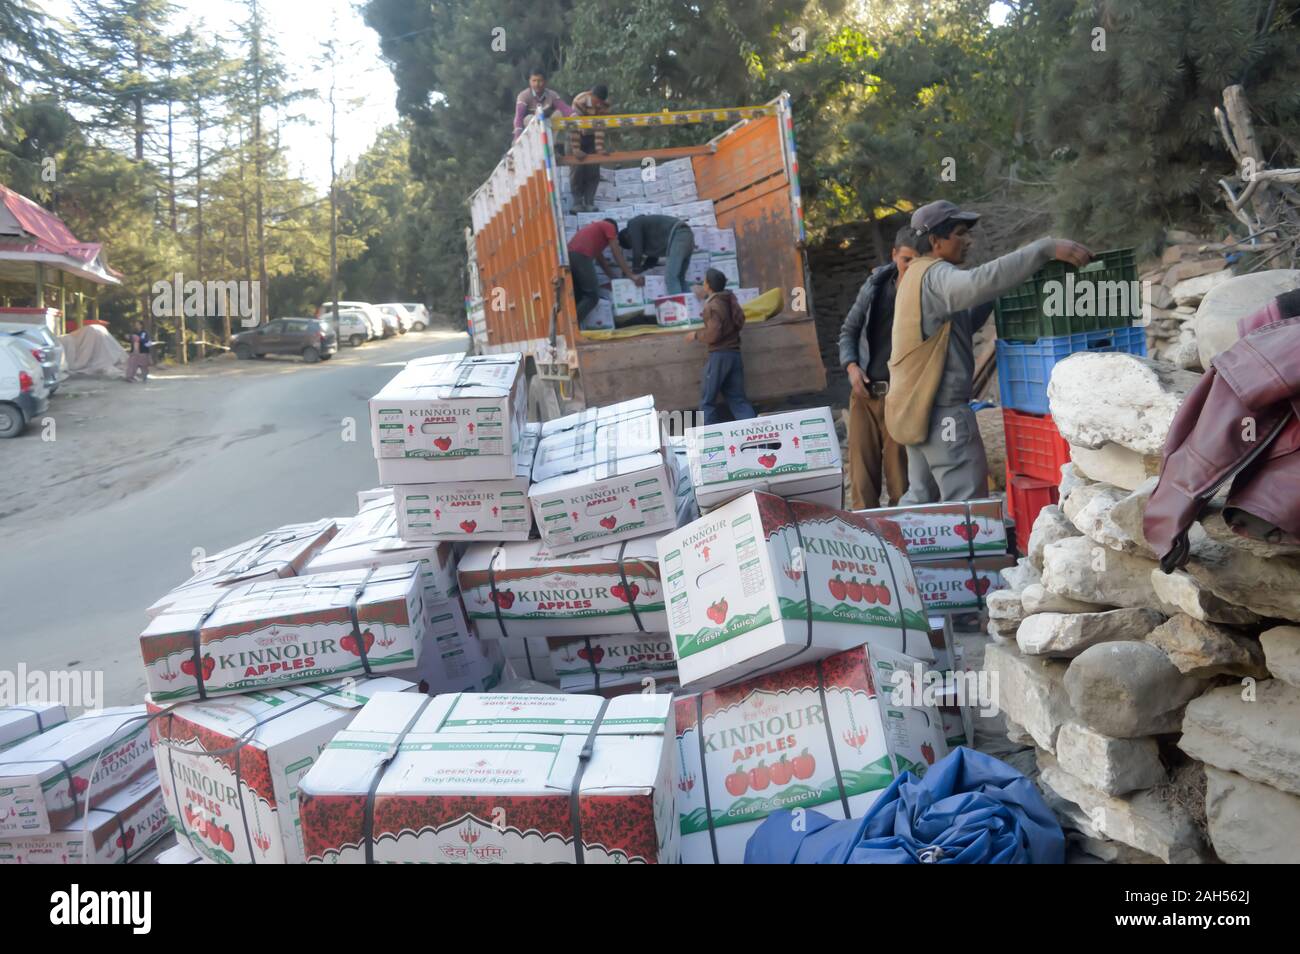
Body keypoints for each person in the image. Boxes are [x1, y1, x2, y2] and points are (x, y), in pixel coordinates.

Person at [887, 200, 1092, 504]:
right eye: (959, 233)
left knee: (920, 501)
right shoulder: (935, 274)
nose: (967, 240)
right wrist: (1044, 249)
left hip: (914, 411)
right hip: (942, 414)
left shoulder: (913, 276)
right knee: (967, 504)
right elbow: (976, 283)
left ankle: (906, 550)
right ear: (935, 241)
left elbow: (957, 326)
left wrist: (1003, 289)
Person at [837, 227, 920, 509]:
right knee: (861, 480)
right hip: (864, 394)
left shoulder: (927, 293)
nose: (910, 267)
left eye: (917, 261)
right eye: (906, 259)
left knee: (901, 481)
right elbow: (849, 330)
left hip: (901, 397)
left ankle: (905, 544)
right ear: (894, 255)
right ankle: (868, 544)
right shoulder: (875, 286)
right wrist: (851, 367)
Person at [685, 268, 755, 424]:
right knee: (738, 401)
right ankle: (758, 440)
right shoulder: (729, 299)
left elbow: (714, 334)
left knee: (707, 401)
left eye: (704, 281)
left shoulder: (713, 306)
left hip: (719, 356)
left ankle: (711, 442)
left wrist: (696, 335)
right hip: (734, 354)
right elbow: (739, 321)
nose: (703, 283)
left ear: (708, 285)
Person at [568, 218, 642, 322]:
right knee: (592, 296)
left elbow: (601, 260)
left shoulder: (593, 233)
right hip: (581, 256)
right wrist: (630, 275)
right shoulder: (609, 226)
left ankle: (570, 327)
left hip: (571, 256)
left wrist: (612, 277)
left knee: (579, 295)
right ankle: (571, 325)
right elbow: (616, 253)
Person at [619, 214, 694, 293]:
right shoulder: (649, 233)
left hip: (678, 234)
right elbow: (653, 259)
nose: (634, 244)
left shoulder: (633, 224)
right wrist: (642, 269)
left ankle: (677, 305)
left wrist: (634, 273)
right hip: (686, 235)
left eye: (632, 244)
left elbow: (637, 252)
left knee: (671, 278)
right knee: (679, 278)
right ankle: (688, 303)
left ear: (627, 236)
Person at [568, 85, 611, 213]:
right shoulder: (579, 101)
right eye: (596, 101)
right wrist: (575, 148)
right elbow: (574, 126)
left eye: (600, 102)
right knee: (577, 169)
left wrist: (599, 148)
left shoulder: (605, 105)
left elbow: (600, 126)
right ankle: (577, 202)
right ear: (590, 95)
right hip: (575, 135)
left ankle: (589, 201)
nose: (598, 104)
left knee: (593, 170)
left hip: (592, 137)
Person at [512, 69, 574, 141]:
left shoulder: (551, 95)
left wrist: (573, 114)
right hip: (529, 132)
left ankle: (552, 143)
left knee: (558, 114)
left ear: (545, 81)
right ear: (529, 81)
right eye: (534, 81)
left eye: (540, 81)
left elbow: (563, 108)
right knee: (530, 118)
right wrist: (517, 134)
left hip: (548, 127)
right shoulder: (524, 96)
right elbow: (519, 117)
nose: (537, 84)